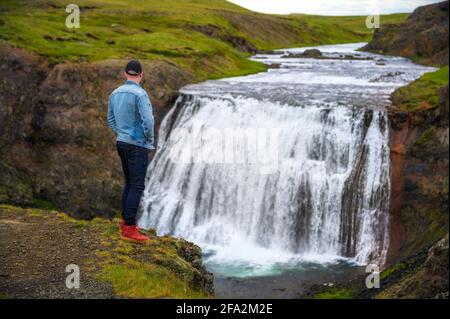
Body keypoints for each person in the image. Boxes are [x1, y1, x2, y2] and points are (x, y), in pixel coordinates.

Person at [107, 60, 154, 243]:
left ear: (125, 73)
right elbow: (148, 121)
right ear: (141, 74)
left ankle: (125, 221)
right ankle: (129, 228)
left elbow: (110, 119)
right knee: (137, 185)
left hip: (122, 143)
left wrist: (121, 133)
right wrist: (147, 140)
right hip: (137, 144)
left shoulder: (115, 93)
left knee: (129, 183)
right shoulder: (140, 94)